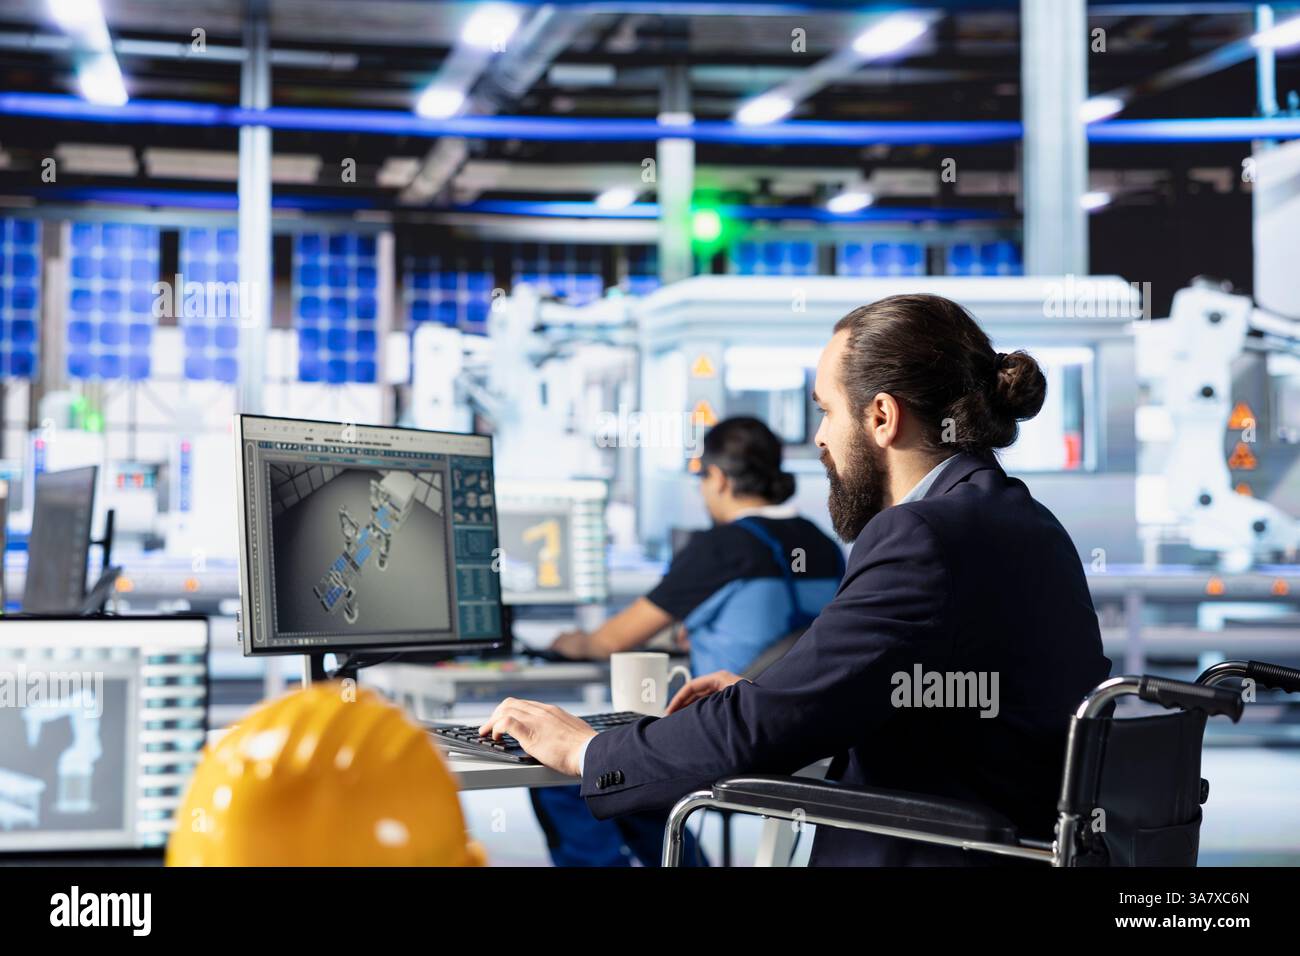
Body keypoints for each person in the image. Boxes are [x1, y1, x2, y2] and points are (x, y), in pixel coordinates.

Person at [481, 293, 1111, 866]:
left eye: (826, 410)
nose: (818, 438)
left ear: (882, 417)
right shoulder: (1025, 519)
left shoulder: (920, 535)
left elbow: (761, 731)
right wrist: (781, 693)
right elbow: (937, 712)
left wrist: (587, 752)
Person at [531, 416, 845, 866]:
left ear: (717, 478)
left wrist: (569, 641)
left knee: (567, 775)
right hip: (810, 733)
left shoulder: (722, 545)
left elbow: (610, 641)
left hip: (733, 730)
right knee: (629, 790)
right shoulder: (822, 542)